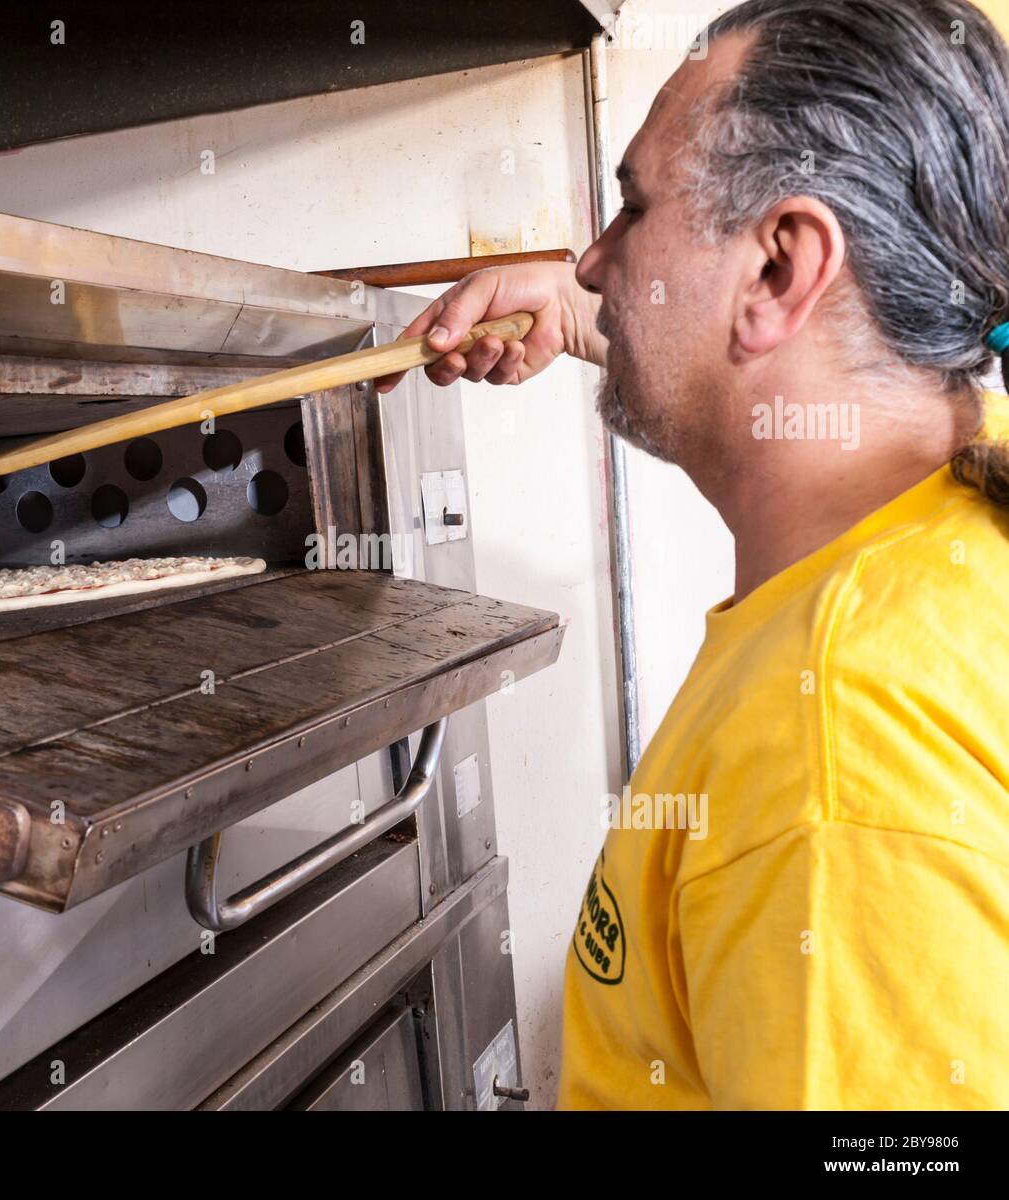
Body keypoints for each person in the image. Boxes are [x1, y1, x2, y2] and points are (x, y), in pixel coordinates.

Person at [376, 0, 1009, 1109]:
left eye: (631, 208)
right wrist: (598, 325)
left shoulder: (833, 763)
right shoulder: (967, 479)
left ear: (777, 271)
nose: (588, 258)